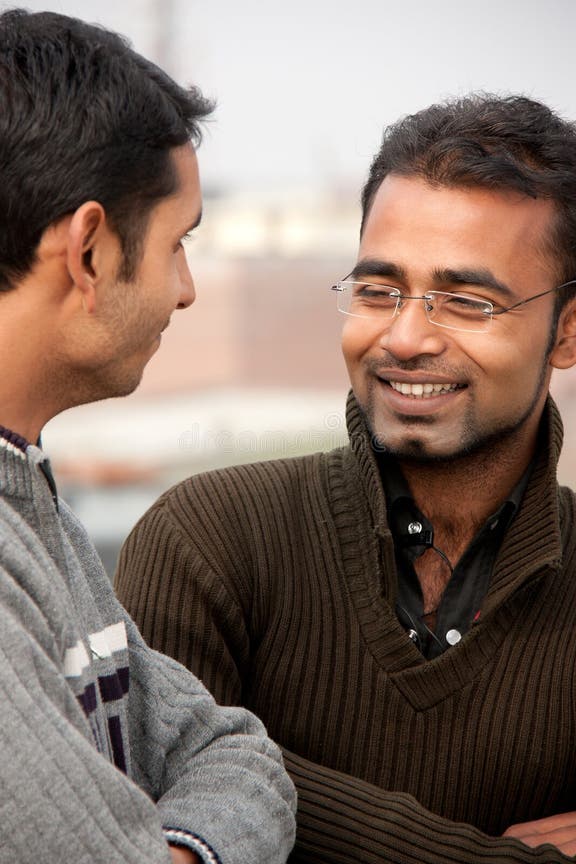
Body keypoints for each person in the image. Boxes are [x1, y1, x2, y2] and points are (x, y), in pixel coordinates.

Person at [116, 92, 576, 863]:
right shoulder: (209, 541)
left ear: (566, 331)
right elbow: (143, 810)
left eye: (465, 302)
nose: (404, 336)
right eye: (377, 290)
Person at [0, 9, 296, 864]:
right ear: (89, 251)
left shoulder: (30, 496)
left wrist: (178, 850)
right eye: (178, 244)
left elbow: (233, 751)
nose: (188, 290)